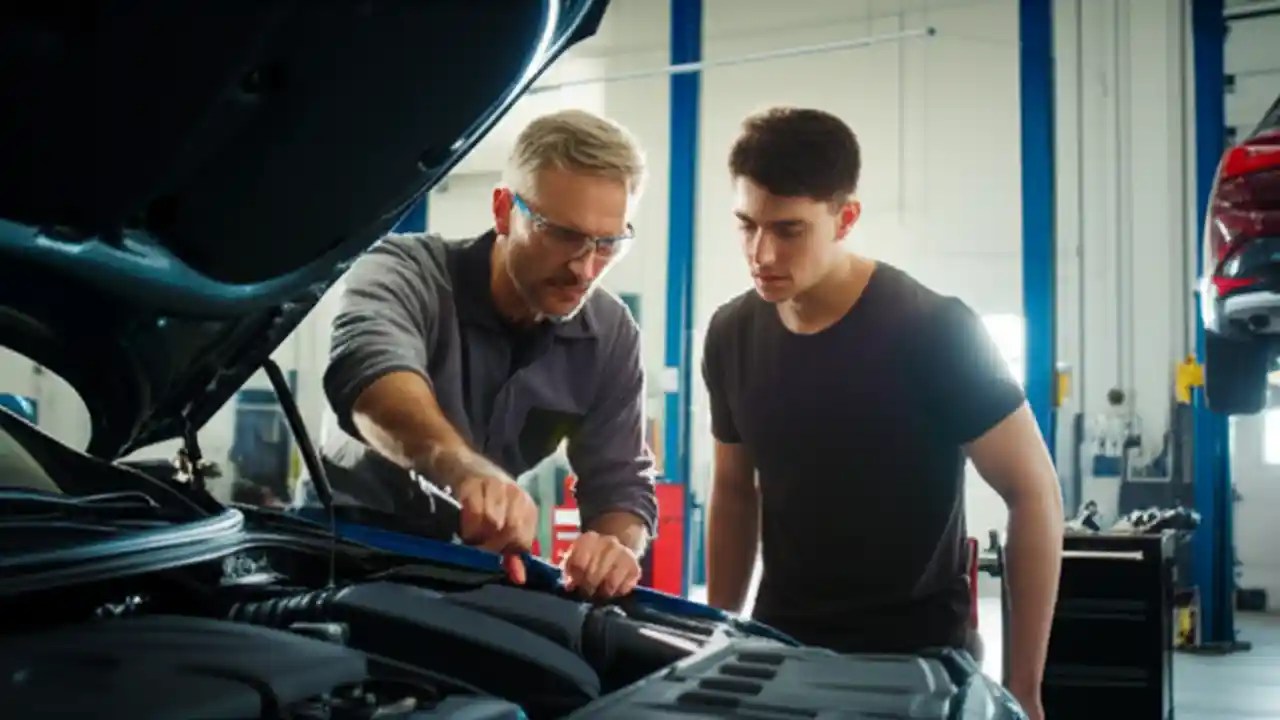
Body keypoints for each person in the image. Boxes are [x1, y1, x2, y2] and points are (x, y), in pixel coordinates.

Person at [701, 107, 1063, 719]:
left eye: (789, 229)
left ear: (846, 218)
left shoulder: (935, 329)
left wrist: (1024, 687)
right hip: (781, 644)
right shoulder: (731, 331)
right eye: (746, 225)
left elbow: (1035, 495)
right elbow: (735, 491)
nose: (761, 252)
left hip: (917, 658)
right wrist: (721, 632)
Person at [302, 109, 658, 600]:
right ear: (502, 210)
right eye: (563, 235)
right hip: (344, 549)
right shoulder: (402, 271)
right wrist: (466, 470)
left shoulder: (611, 334)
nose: (584, 268)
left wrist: (616, 548)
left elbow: (620, 481)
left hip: (475, 569)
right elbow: (371, 380)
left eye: (607, 243)